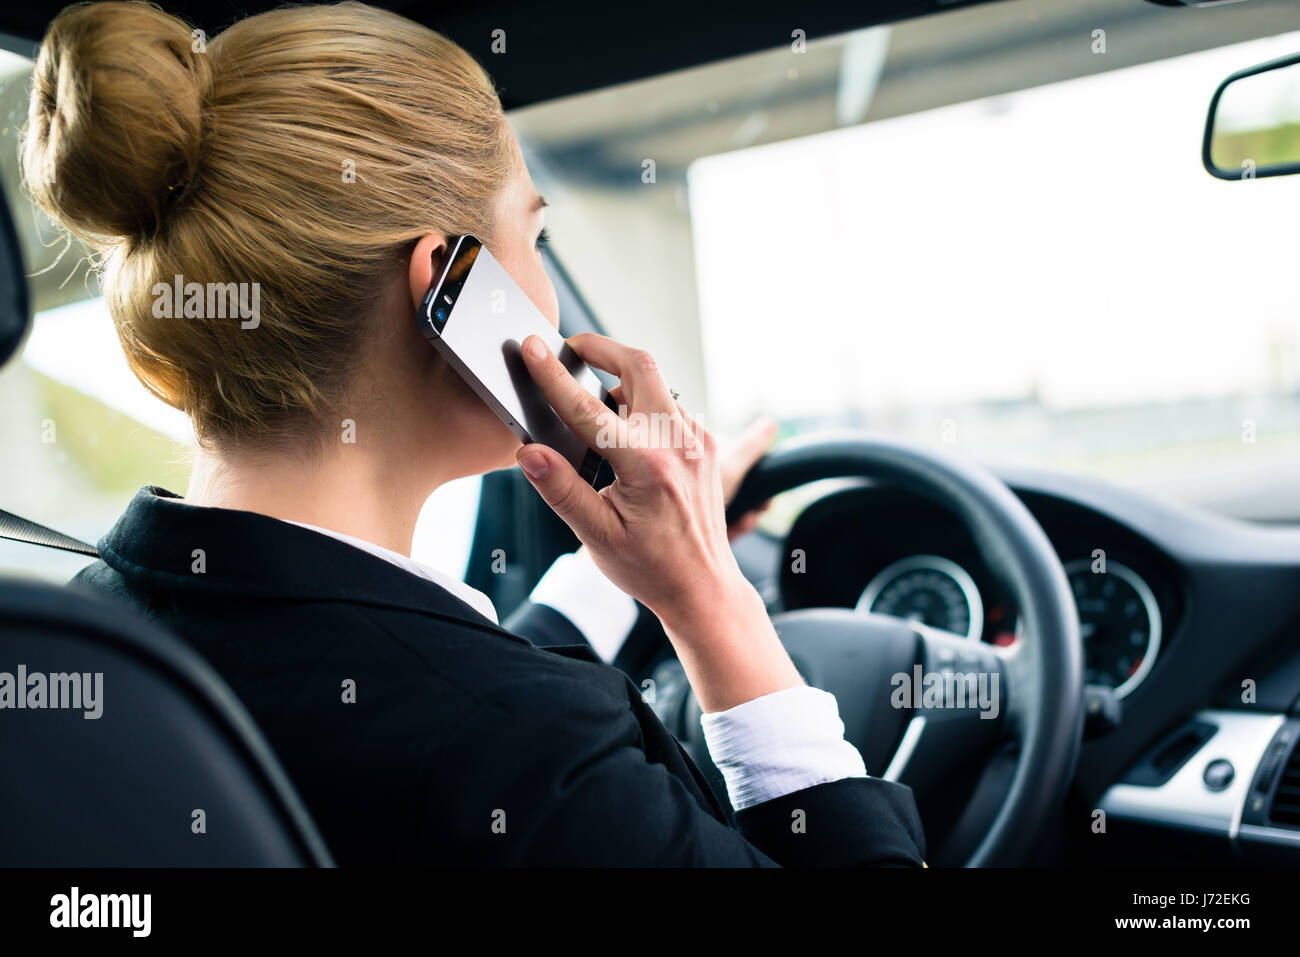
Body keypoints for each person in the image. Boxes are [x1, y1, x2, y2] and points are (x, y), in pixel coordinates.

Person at [22, 0, 925, 866]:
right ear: (442, 283)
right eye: (532, 238)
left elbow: (380, 661)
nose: (550, 295)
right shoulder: (530, 752)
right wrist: (713, 601)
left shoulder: (80, 638)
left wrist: (621, 575)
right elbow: (466, 712)